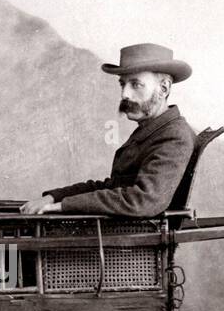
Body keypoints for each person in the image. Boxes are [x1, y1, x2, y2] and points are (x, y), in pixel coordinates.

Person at [21, 43, 196, 217]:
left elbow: (142, 200)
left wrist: (62, 206)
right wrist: (53, 197)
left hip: (132, 240)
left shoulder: (174, 136)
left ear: (164, 88)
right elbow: (112, 186)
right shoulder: (153, 130)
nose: (124, 94)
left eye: (136, 85)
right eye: (123, 84)